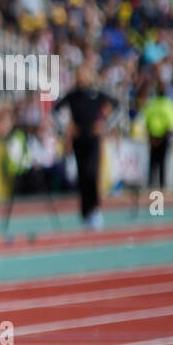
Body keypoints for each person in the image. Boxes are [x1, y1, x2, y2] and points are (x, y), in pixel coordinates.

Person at [57, 67, 117, 229]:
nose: (81, 77)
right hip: (79, 140)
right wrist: (66, 128)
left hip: (93, 140)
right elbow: (56, 111)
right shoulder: (73, 95)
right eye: (79, 74)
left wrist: (105, 125)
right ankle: (85, 212)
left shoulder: (97, 95)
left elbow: (117, 107)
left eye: (84, 74)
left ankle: (95, 209)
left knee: (92, 175)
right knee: (82, 176)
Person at [138, 86, 173, 190]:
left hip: (157, 138)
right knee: (157, 164)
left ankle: (159, 187)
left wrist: (154, 138)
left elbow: (170, 124)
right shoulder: (167, 104)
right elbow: (171, 124)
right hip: (158, 138)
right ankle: (156, 187)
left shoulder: (153, 103)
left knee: (158, 164)